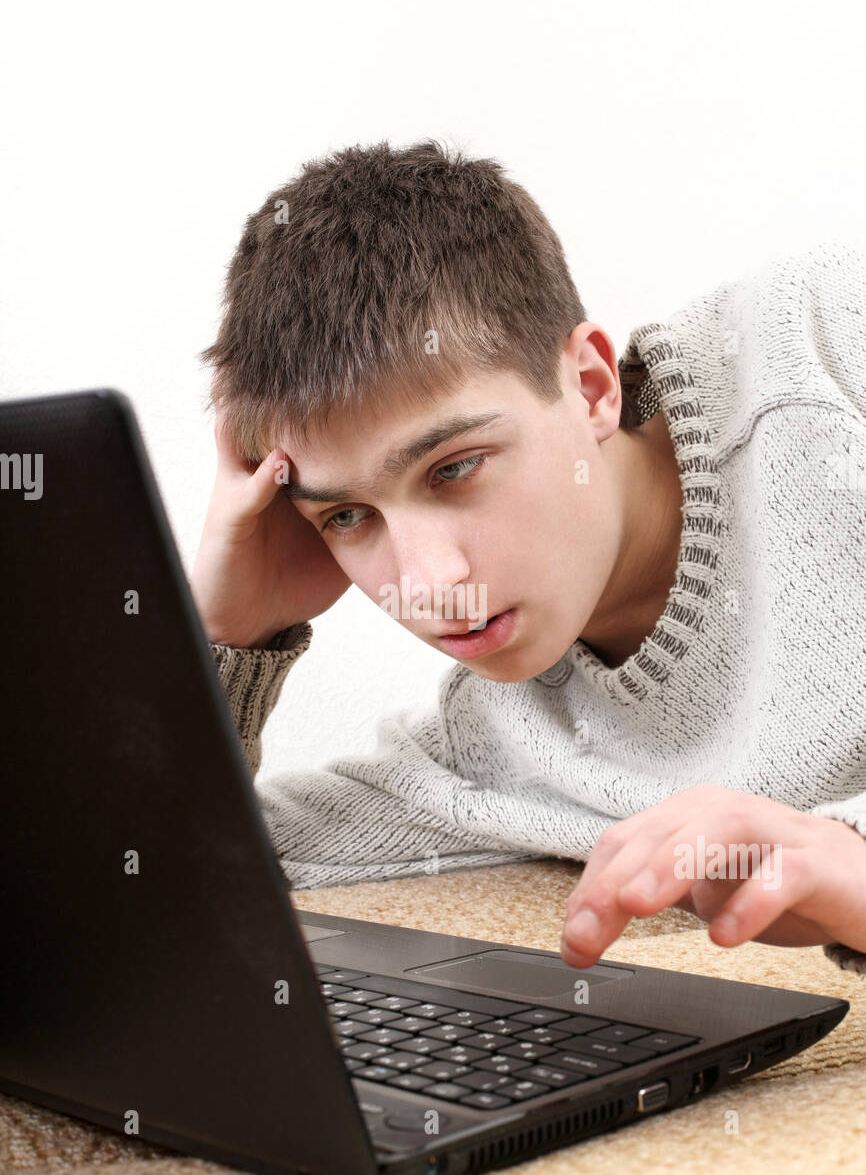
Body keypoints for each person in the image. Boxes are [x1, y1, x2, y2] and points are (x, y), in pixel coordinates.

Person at [190, 138, 866, 977]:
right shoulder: (494, 743)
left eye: (456, 468)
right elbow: (156, 878)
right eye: (348, 516)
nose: (429, 587)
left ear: (590, 384)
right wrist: (229, 639)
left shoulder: (835, 346)